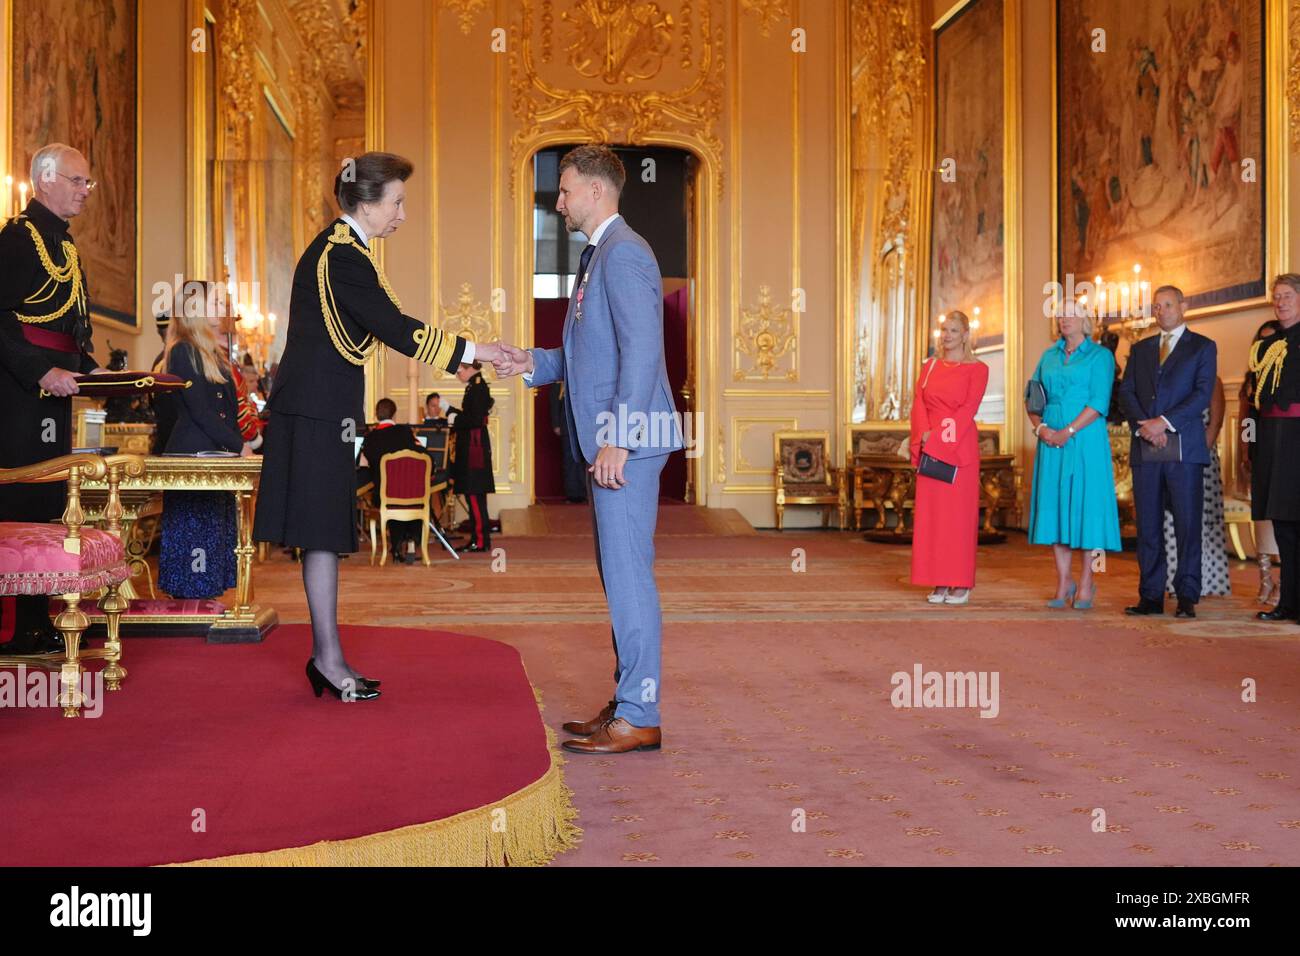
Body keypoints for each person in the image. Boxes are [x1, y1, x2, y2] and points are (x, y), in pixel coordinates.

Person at [252, 151, 501, 700]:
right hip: (317, 409)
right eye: (397, 202)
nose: (402, 214)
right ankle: (329, 658)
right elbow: (390, 324)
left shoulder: (344, 251)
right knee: (321, 534)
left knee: (324, 536)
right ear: (365, 204)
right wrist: (472, 348)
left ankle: (328, 657)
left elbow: (376, 325)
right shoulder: (342, 255)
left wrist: (457, 360)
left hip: (323, 407)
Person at [495, 144, 683, 755]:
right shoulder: (597, 256)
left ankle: (639, 712)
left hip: (628, 441)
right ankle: (629, 700)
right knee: (619, 573)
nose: (560, 200)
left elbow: (642, 355)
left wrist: (619, 440)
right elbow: (584, 355)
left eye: (567, 189)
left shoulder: (624, 254)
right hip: (616, 437)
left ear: (596, 192)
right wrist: (528, 362)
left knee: (629, 577)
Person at [0, 143, 107, 654]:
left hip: (53, 392)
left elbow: (69, 332)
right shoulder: (16, 240)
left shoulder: (64, 248)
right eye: (77, 181)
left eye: (87, 183)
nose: (85, 191)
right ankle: (19, 628)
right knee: (19, 501)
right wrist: (40, 371)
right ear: (44, 179)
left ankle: (35, 624)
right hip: (17, 394)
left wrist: (99, 372)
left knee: (46, 502)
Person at [1118, 285, 1217, 618]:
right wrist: (1146, 426)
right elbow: (1126, 392)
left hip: (1184, 448)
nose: (1161, 311)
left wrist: (1164, 422)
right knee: (1147, 525)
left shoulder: (1202, 347)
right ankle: (1150, 595)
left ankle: (1187, 595)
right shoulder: (1141, 348)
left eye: (1168, 305)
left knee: (1187, 524)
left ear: (1183, 307)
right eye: (1156, 307)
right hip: (1146, 446)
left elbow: (1202, 394)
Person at [158, 287, 252, 600]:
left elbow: (226, 410)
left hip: (214, 451)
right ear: (194, 307)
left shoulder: (210, 349)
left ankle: (205, 598)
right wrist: (239, 445)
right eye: (214, 302)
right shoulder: (183, 349)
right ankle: (192, 599)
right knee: (196, 528)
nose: (222, 307)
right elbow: (200, 411)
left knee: (212, 528)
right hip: (193, 452)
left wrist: (235, 444)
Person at [1027, 301, 1121, 609]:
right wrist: (1042, 430)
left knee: (1087, 511)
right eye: (1060, 314)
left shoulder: (1100, 356)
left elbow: (1098, 402)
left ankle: (1086, 583)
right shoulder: (1048, 356)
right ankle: (1064, 580)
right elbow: (1033, 399)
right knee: (1055, 509)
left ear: (1085, 320)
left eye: (1071, 314)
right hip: (1050, 440)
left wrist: (1067, 432)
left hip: (1085, 439)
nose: (1064, 319)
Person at [909, 311, 989, 605]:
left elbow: (967, 410)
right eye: (944, 330)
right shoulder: (929, 366)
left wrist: (939, 438)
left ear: (966, 335)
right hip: (930, 447)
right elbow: (918, 403)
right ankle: (939, 580)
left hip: (959, 451)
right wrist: (923, 436)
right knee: (933, 520)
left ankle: (960, 582)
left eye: (954, 330)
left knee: (957, 520)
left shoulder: (978, 370)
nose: (947, 335)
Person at [1246, 274, 1300, 625]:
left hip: (1298, 436)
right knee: (1283, 525)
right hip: (1271, 438)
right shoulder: (1266, 345)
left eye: (1287, 296)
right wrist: (1252, 447)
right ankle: (1289, 603)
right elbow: (1254, 402)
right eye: (1276, 297)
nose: (1280, 302)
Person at [1162, 374, 1229, 597]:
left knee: (1200, 519)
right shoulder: (1170, 379)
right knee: (1171, 519)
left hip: (1199, 457)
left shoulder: (1212, 380)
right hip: (1171, 454)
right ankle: (1174, 580)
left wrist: (1199, 453)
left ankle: (1205, 582)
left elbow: (1216, 422)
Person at [1238, 319, 1283, 605]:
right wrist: (1246, 452)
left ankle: (1284, 582)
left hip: (1286, 454)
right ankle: (1265, 579)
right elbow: (1247, 422)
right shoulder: (1251, 381)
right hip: (1260, 454)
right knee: (1261, 518)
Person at [357, 396, 424, 563]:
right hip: (411, 494)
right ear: (394, 415)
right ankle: (410, 541)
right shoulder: (405, 432)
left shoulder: (370, 438)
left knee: (389, 495)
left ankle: (395, 547)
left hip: (384, 495)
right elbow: (419, 454)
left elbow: (362, 464)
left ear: (376, 415)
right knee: (409, 495)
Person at [450, 361, 495, 553]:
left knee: (475, 494)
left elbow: (475, 419)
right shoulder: (474, 386)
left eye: (460, 370)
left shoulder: (477, 388)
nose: (458, 374)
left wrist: (455, 419)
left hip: (474, 448)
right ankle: (478, 538)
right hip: (473, 446)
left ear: (470, 368)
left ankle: (481, 540)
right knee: (473, 495)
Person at [549, 381, 587, 502]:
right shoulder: (559, 378)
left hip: (584, 427)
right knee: (570, 461)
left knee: (584, 460)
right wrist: (556, 424)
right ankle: (573, 493)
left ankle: (584, 492)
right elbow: (554, 401)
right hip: (567, 425)